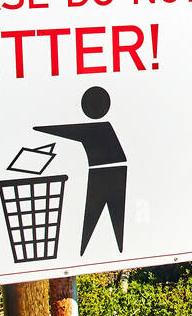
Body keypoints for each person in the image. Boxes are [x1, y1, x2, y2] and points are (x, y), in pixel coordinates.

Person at [34, 87, 126, 254]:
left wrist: (39, 128)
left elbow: (68, 131)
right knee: (109, 215)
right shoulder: (105, 127)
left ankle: (89, 250)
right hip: (115, 171)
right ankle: (94, 249)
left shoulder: (97, 128)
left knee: (97, 216)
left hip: (104, 173)